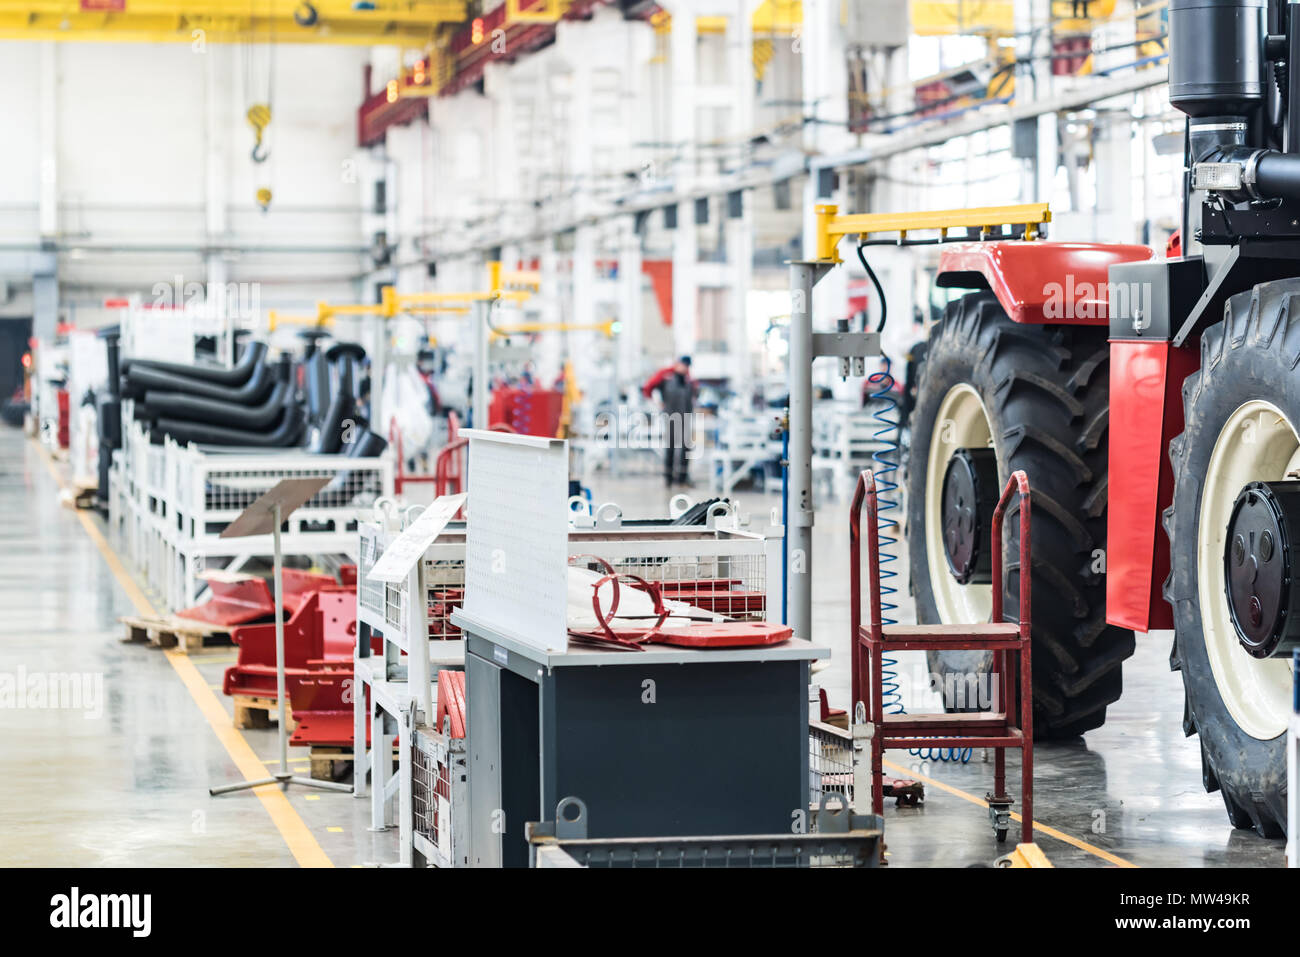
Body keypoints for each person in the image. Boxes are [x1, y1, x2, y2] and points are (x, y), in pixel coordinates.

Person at [643, 356, 695, 486]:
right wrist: (657, 403)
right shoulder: (666, 376)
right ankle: (668, 477)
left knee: (686, 447)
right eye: (683, 365)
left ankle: (682, 477)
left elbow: (692, 396)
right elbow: (648, 388)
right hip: (671, 416)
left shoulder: (688, 380)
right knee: (671, 446)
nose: (684, 368)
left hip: (686, 416)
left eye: (686, 366)